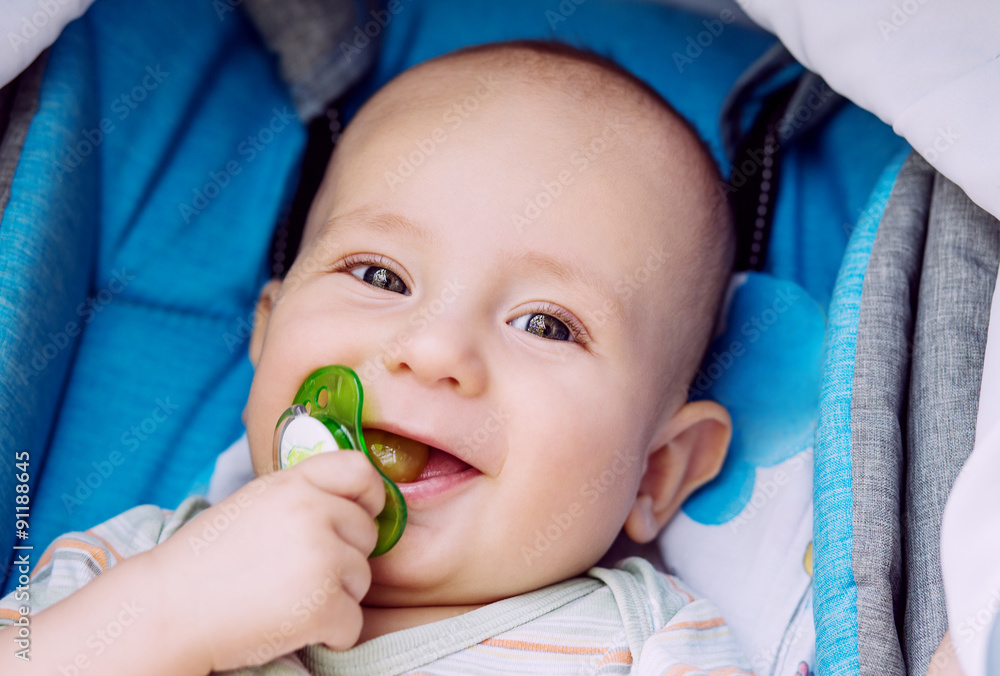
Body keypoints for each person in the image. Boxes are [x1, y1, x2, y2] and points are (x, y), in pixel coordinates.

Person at [0, 40, 747, 675]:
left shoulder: (651, 646)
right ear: (267, 335)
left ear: (657, 470)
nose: (431, 351)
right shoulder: (131, 566)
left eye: (546, 325)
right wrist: (161, 614)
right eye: (379, 275)